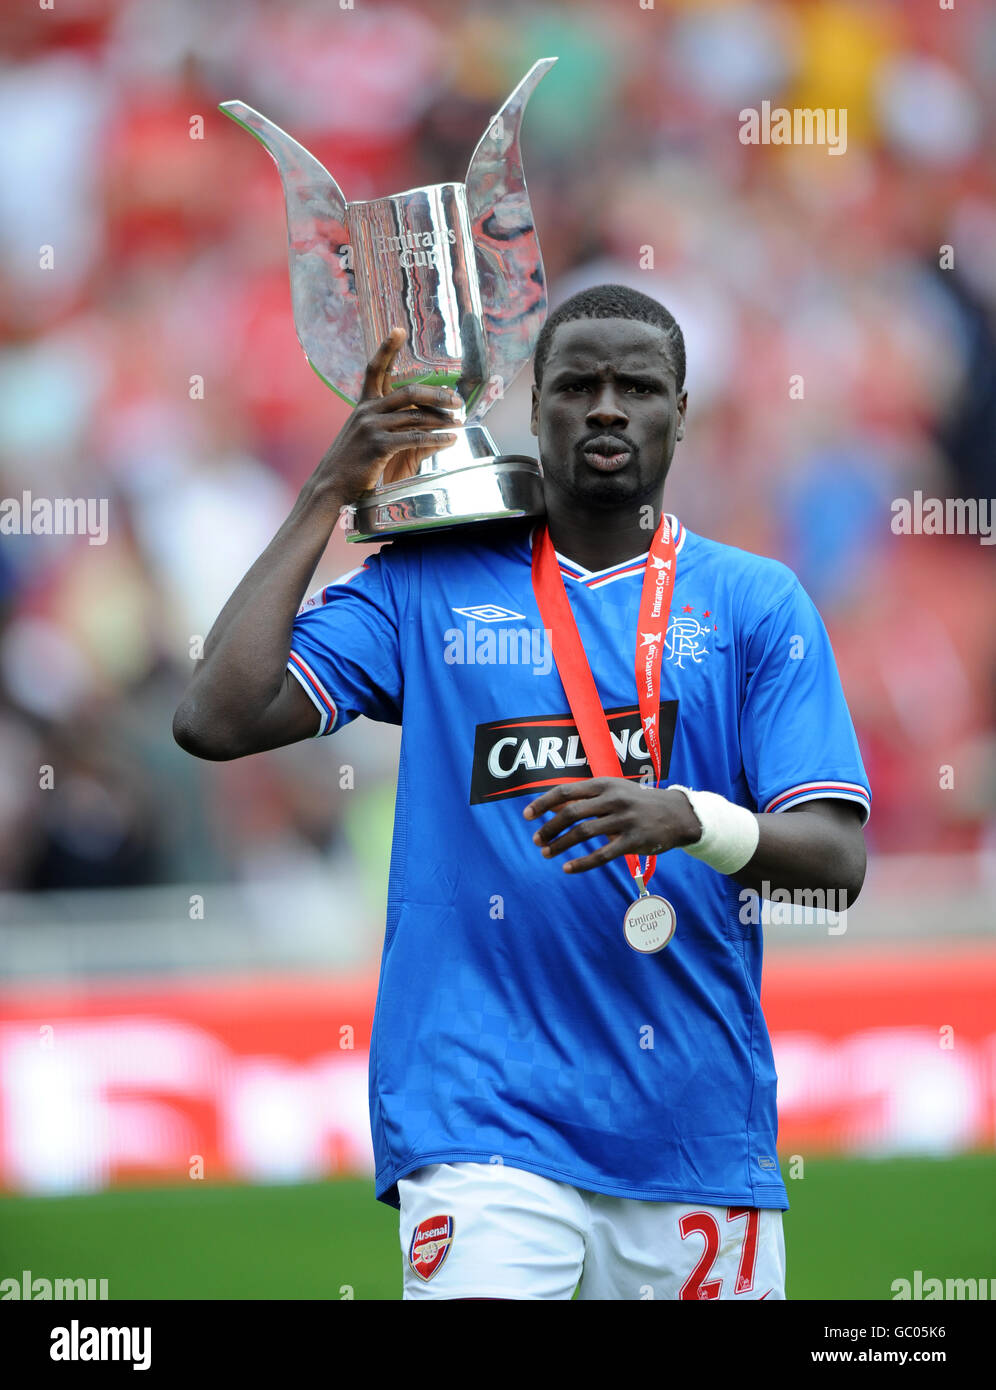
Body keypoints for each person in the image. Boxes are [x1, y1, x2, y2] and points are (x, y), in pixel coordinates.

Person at [174, 283, 870, 1300]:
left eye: (637, 386)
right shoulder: (430, 582)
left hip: (693, 1125)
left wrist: (689, 817)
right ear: (533, 404)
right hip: (480, 1118)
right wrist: (329, 488)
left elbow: (837, 860)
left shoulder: (756, 603)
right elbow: (217, 715)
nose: (605, 406)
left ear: (683, 414)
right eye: (576, 384)